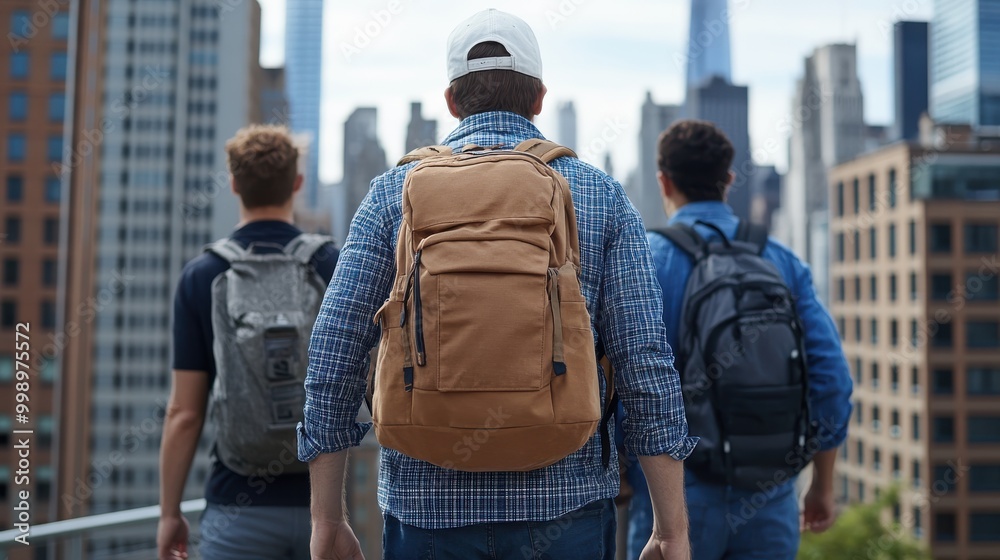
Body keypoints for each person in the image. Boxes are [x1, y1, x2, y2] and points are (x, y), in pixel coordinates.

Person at [298, 9, 697, 560]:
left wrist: (327, 517)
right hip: (567, 511)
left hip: (425, 513)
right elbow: (644, 362)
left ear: (451, 101)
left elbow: (334, 350)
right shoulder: (600, 196)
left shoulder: (393, 194)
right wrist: (670, 527)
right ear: (538, 98)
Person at [625, 120, 853, 560]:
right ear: (729, 180)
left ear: (663, 181)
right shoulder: (781, 259)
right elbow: (832, 381)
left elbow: (614, 375)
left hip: (672, 500)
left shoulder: (644, 259)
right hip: (769, 491)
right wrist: (822, 485)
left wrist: (620, 471)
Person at [158, 125, 338, 560]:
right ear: (297, 183)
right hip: (328, 508)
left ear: (234, 184)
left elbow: (185, 413)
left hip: (238, 506)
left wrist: (169, 513)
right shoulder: (329, 263)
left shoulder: (203, 275)